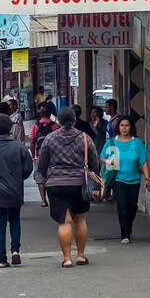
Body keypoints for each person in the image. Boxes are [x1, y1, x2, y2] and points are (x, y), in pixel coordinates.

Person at [36, 106, 100, 268]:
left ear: (58, 120)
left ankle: (67, 258)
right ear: (75, 120)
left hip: (56, 185)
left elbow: (42, 164)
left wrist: (43, 177)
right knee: (80, 219)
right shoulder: (85, 138)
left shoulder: (50, 139)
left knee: (64, 222)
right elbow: (95, 163)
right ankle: (81, 256)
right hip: (79, 184)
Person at [0, 114, 33, 268]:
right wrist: (19, 178)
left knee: (0, 224)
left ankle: (2, 259)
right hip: (14, 190)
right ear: (11, 128)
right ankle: (15, 251)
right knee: (15, 221)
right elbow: (28, 168)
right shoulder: (19, 147)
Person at [105, 116, 150, 243]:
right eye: (122, 125)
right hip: (119, 179)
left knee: (132, 206)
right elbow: (103, 157)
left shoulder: (137, 143)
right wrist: (108, 161)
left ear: (131, 127)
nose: (124, 128)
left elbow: (144, 162)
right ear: (118, 127)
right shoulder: (112, 142)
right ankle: (124, 234)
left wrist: (147, 178)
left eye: (127, 125)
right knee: (122, 205)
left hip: (134, 180)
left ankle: (128, 227)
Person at [29, 102, 57, 206]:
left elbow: (32, 142)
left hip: (39, 155)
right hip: (53, 156)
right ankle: (52, 200)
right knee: (52, 178)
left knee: (40, 179)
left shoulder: (35, 127)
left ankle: (43, 200)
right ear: (50, 114)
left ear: (40, 114)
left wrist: (34, 155)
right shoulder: (56, 126)